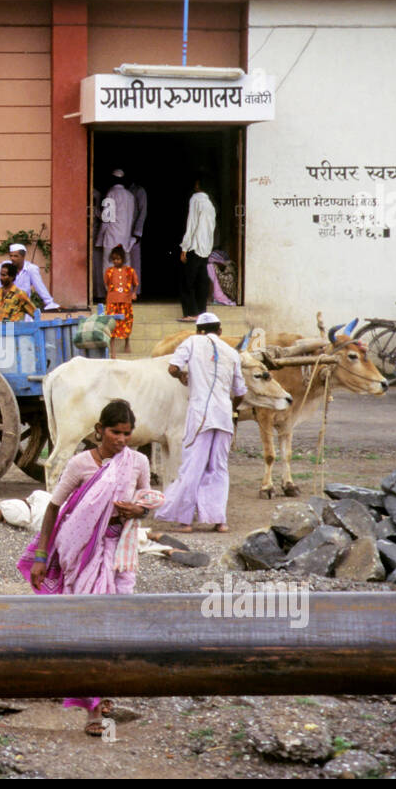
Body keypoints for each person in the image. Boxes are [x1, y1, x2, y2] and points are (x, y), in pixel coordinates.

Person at [17, 399, 164, 737]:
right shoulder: (81, 464)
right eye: (115, 432)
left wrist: (138, 511)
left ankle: (106, 689)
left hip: (119, 550)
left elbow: (146, 501)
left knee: (117, 622)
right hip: (82, 551)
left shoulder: (137, 462)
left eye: (127, 433)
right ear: (100, 430)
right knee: (90, 623)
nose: (121, 440)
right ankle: (93, 709)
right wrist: (41, 555)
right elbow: (53, 508)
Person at [155, 312, 246, 533]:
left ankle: (185, 521)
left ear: (198, 331)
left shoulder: (192, 342)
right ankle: (219, 521)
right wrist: (232, 409)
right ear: (220, 331)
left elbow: (173, 368)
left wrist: (182, 377)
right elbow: (240, 392)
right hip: (223, 416)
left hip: (200, 416)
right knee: (219, 467)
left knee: (193, 466)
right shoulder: (232, 353)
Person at [180, 177, 217, 321]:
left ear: (198, 186)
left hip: (195, 246)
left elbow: (192, 224)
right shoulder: (210, 204)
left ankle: (191, 313)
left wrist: (185, 247)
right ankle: (201, 312)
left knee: (187, 282)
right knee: (201, 281)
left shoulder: (196, 199)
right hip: (205, 248)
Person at [0, 243, 58, 310]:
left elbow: (39, 286)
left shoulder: (31, 269)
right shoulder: (4, 267)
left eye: (16, 256)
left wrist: (49, 302)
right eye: (11, 256)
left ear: (23, 256)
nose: (12, 258)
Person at [96, 171, 136, 297]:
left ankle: (112, 293)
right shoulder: (130, 196)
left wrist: (99, 238)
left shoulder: (111, 194)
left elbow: (107, 219)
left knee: (109, 266)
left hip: (112, 236)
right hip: (126, 237)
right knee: (125, 266)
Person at [105, 245, 139, 354]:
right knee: (111, 323)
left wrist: (134, 293)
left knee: (127, 322)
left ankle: (127, 343)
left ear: (123, 259)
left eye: (118, 259)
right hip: (112, 302)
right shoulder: (109, 271)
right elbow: (107, 283)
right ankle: (112, 347)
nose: (116, 261)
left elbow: (135, 283)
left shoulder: (130, 271)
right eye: (114, 259)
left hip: (126, 301)